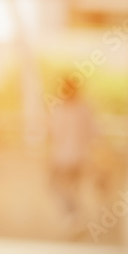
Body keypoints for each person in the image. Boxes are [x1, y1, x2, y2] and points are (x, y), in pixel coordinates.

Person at [47, 73, 97, 232]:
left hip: (63, 157)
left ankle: (73, 214)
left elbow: (54, 133)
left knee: (54, 184)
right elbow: (94, 133)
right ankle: (77, 220)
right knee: (73, 188)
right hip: (80, 157)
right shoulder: (84, 109)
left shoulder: (61, 110)